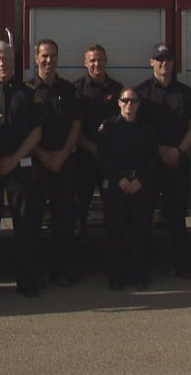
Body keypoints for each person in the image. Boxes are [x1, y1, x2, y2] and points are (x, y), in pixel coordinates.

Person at [0, 40, 44, 298]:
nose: (2, 64)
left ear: (14, 61)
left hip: (20, 165)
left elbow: (36, 132)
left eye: (6, 59)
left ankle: (27, 282)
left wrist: (14, 159)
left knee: (25, 226)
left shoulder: (28, 92)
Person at [135, 42, 191, 280]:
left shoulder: (185, 93)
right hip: (150, 165)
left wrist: (179, 151)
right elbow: (136, 129)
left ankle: (182, 266)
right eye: (159, 59)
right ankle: (142, 269)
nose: (164, 64)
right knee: (143, 217)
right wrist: (160, 151)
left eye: (168, 60)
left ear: (174, 63)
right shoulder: (141, 93)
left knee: (177, 217)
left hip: (177, 163)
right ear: (151, 62)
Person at [29, 39, 83, 286]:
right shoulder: (27, 90)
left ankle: (61, 269)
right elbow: (24, 131)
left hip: (64, 163)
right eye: (44, 56)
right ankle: (37, 271)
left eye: (53, 56)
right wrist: (43, 155)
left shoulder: (68, 90)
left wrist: (62, 155)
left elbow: (76, 125)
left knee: (64, 219)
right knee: (34, 219)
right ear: (35, 58)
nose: (49, 61)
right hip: (38, 165)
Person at [96, 87, 159, 290]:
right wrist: (120, 180)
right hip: (116, 186)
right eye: (126, 101)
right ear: (119, 103)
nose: (129, 105)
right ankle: (116, 276)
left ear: (139, 104)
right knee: (116, 233)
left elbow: (152, 159)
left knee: (139, 232)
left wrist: (140, 180)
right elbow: (104, 157)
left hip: (140, 186)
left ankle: (138, 274)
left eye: (134, 101)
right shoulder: (109, 127)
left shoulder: (147, 129)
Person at [73, 44, 123, 259]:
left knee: (113, 211)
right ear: (85, 63)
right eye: (92, 60)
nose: (96, 64)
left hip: (108, 161)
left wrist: (103, 150)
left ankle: (115, 261)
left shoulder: (117, 89)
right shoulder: (75, 89)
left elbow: (121, 126)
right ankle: (76, 261)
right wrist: (90, 146)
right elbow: (73, 125)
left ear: (106, 61)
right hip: (83, 157)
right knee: (78, 211)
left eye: (100, 59)